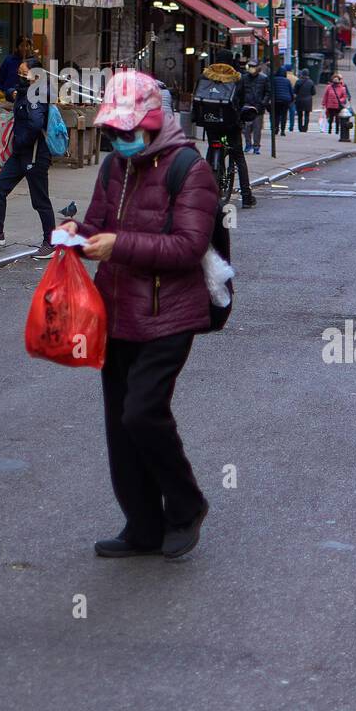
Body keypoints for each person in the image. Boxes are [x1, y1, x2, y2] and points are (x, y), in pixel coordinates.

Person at [61, 71, 218, 561]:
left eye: (128, 133)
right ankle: (143, 525)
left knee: (142, 412)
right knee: (118, 423)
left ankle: (187, 505)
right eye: (115, 133)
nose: (120, 141)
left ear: (152, 123)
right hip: (116, 311)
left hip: (168, 313)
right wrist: (75, 232)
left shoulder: (189, 168)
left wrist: (118, 244)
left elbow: (189, 247)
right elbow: (102, 225)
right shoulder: (114, 168)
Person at [0, 57, 56, 257]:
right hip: (21, 154)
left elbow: (36, 124)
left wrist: (21, 141)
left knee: (40, 200)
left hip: (35, 154)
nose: (19, 74)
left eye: (23, 71)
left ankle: (51, 243)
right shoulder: (26, 91)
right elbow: (14, 94)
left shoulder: (37, 94)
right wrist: (13, 92)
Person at [192, 54, 257, 209]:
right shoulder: (237, 78)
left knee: (211, 149)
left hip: (209, 121)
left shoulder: (205, 76)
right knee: (238, 157)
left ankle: (204, 192)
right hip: (230, 124)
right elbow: (242, 101)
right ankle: (246, 197)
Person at [242, 60, 270, 154]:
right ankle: (248, 144)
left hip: (258, 106)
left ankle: (256, 146)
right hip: (247, 106)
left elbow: (268, 92)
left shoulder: (263, 78)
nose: (251, 69)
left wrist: (263, 102)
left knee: (257, 128)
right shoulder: (244, 78)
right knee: (247, 128)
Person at [271, 63, 294, 137]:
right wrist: (292, 99)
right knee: (284, 115)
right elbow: (290, 91)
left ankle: (276, 128)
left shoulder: (274, 80)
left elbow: (271, 90)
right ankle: (283, 130)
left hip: (276, 100)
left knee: (276, 115)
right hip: (285, 100)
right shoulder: (287, 81)